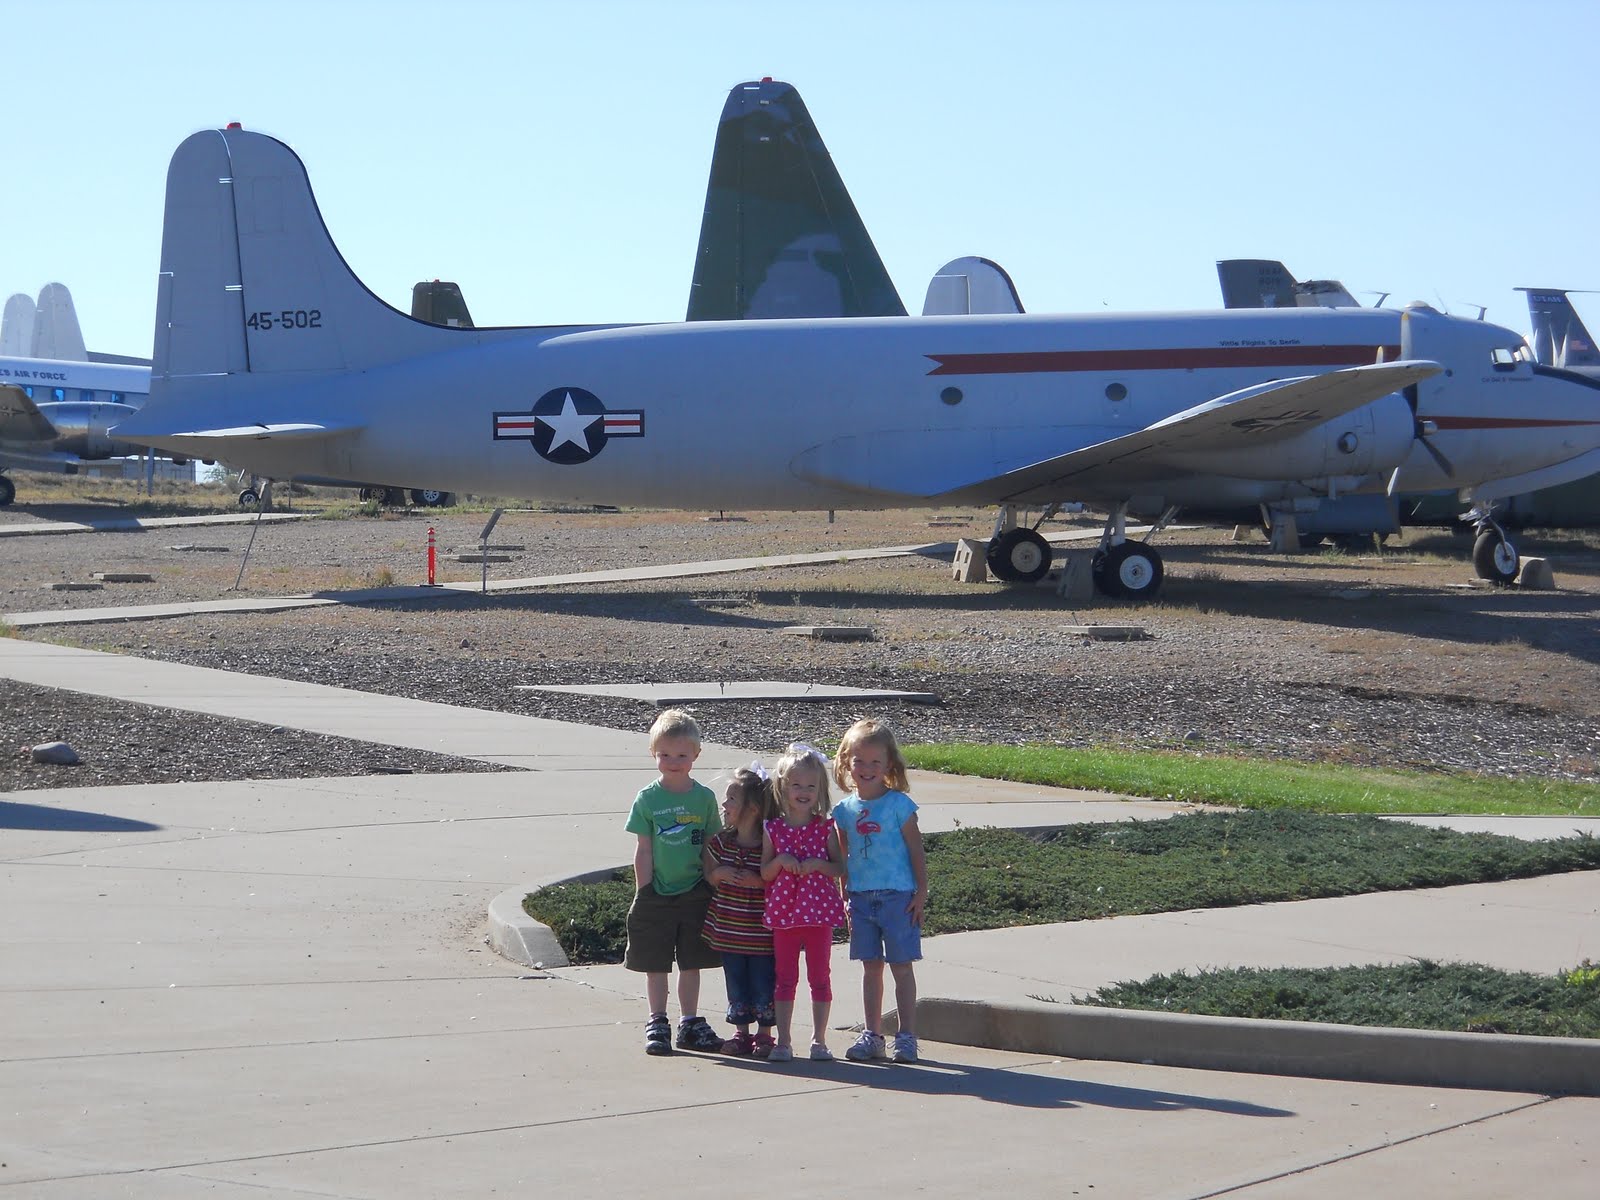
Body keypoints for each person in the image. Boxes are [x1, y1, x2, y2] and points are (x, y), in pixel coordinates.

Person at [623, 708, 725, 1055]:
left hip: (695, 891)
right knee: (655, 963)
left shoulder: (704, 798)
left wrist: (712, 883)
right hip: (658, 893)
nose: (673, 762)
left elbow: (710, 845)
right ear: (653, 753)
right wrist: (644, 891)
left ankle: (690, 1022)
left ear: (696, 755)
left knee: (691, 962)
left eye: (682, 755)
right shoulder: (648, 799)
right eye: (664, 754)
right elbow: (644, 849)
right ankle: (658, 1020)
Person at [832, 718, 927, 1064]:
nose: (867, 768)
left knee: (901, 967)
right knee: (870, 968)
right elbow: (842, 858)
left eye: (876, 761)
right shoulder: (844, 811)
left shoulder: (899, 805)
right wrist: (844, 896)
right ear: (846, 762)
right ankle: (873, 1035)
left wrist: (920, 892)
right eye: (859, 761)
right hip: (861, 898)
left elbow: (916, 850)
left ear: (889, 765)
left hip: (898, 897)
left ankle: (906, 1037)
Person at [760, 743, 846, 1063]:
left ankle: (819, 1040)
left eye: (811, 786)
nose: (804, 792)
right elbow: (765, 873)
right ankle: (783, 1041)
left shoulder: (826, 827)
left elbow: (839, 867)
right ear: (783, 787)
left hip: (818, 917)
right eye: (796, 785)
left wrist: (818, 865)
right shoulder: (773, 829)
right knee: (785, 979)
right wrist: (781, 861)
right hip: (785, 917)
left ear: (820, 789)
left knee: (820, 978)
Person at [701, 765, 777, 1057]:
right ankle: (741, 1033)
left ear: (753, 809)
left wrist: (759, 881)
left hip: (760, 935)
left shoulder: (768, 844)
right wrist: (719, 873)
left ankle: (765, 1035)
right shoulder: (722, 842)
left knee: (763, 983)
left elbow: (779, 881)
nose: (725, 804)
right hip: (729, 931)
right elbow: (709, 874)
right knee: (735, 983)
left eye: (732, 798)